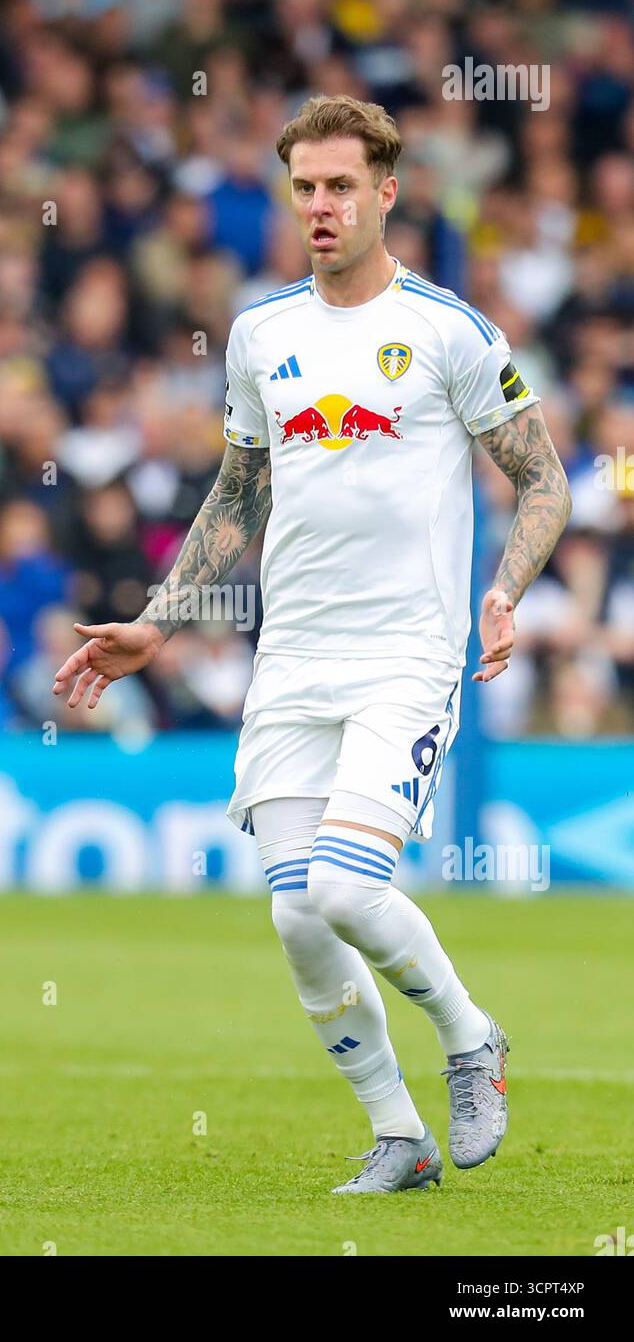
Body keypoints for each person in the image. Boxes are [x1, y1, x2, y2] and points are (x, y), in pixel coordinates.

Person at [51, 95, 572, 1194]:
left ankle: (471, 1036)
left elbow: (541, 479)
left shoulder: (450, 332)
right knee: (295, 912)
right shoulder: (260, 334)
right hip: (289, 655)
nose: (321, 207)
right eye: (304, 187)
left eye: (342, 186)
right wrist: (156, 618)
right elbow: (235, 497)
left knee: (342, 888)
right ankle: (398, 1135)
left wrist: (502, 590)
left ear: (387, 192)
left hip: (405, 654)